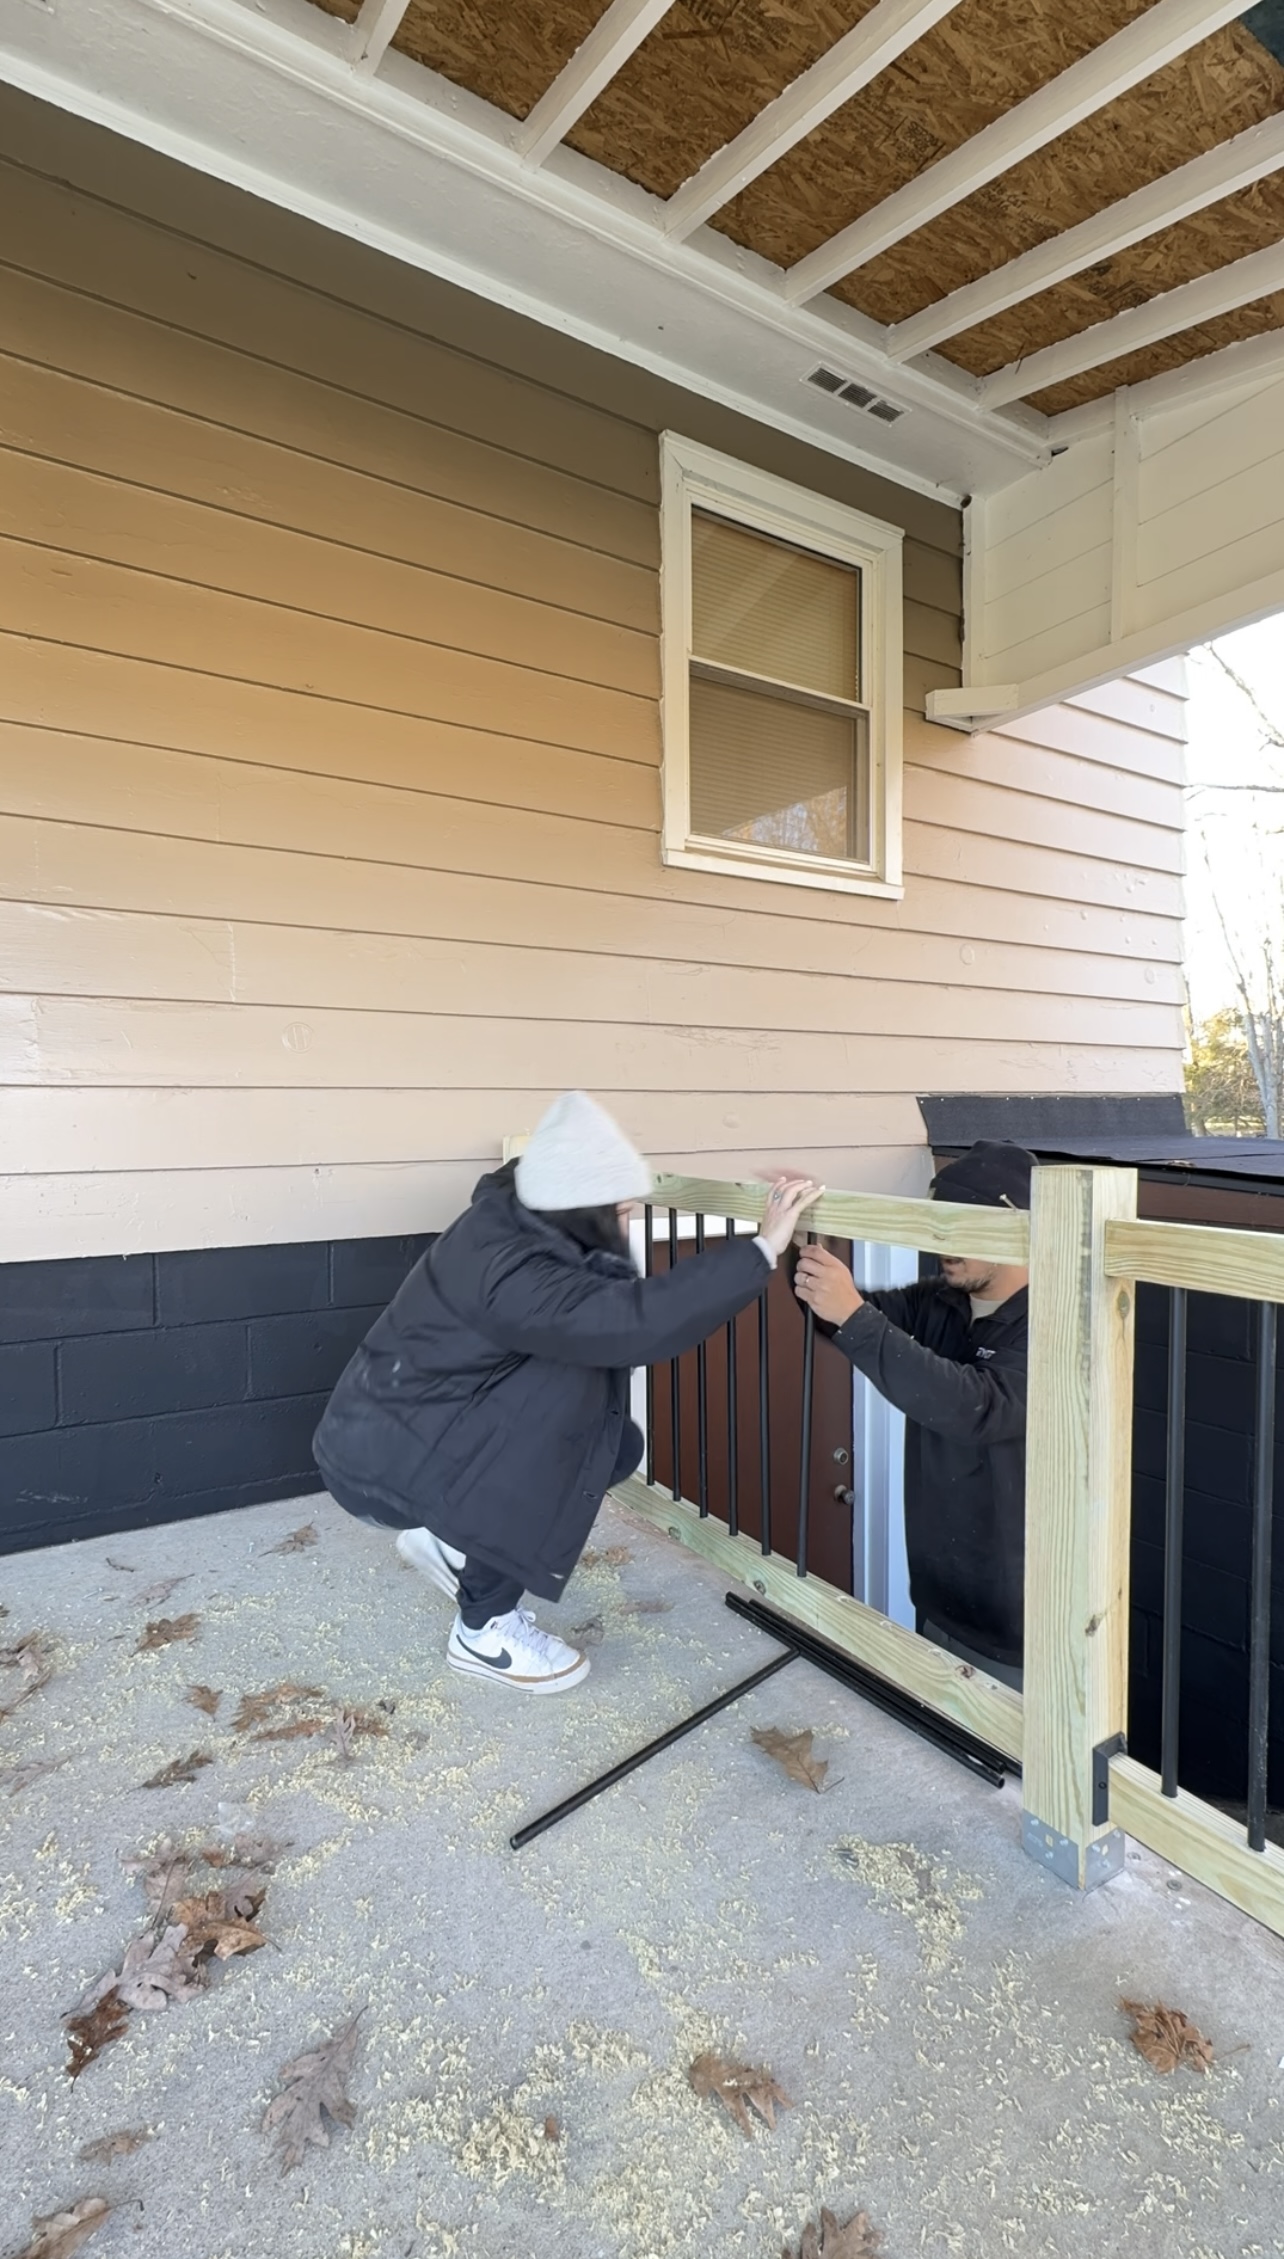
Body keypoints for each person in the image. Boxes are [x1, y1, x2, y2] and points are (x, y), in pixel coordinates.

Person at [314, 1091, 820, 1695]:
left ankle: (449, 1539)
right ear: (574, 1203)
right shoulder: (518, 1274)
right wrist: (762, 1247)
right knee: (567, 1440)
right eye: (617, 1206)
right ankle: (483, 1631)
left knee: (613, 1446)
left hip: (390, 1434)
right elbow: (633, 1322)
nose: (630, 1213)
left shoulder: (512, 1210)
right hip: (382, 1469)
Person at [792, 1140, 1034, 1688]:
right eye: (937, 1221)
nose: (943, 1241)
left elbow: (976, 1407)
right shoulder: (941, 1301)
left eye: (962, 1225)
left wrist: (852, 1314)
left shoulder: (1054, 1320)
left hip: (1019, 1626)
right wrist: (802, 1245)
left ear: (1016, 1230)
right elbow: (839, 1315)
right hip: (936, 1599)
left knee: (1011, 1771)